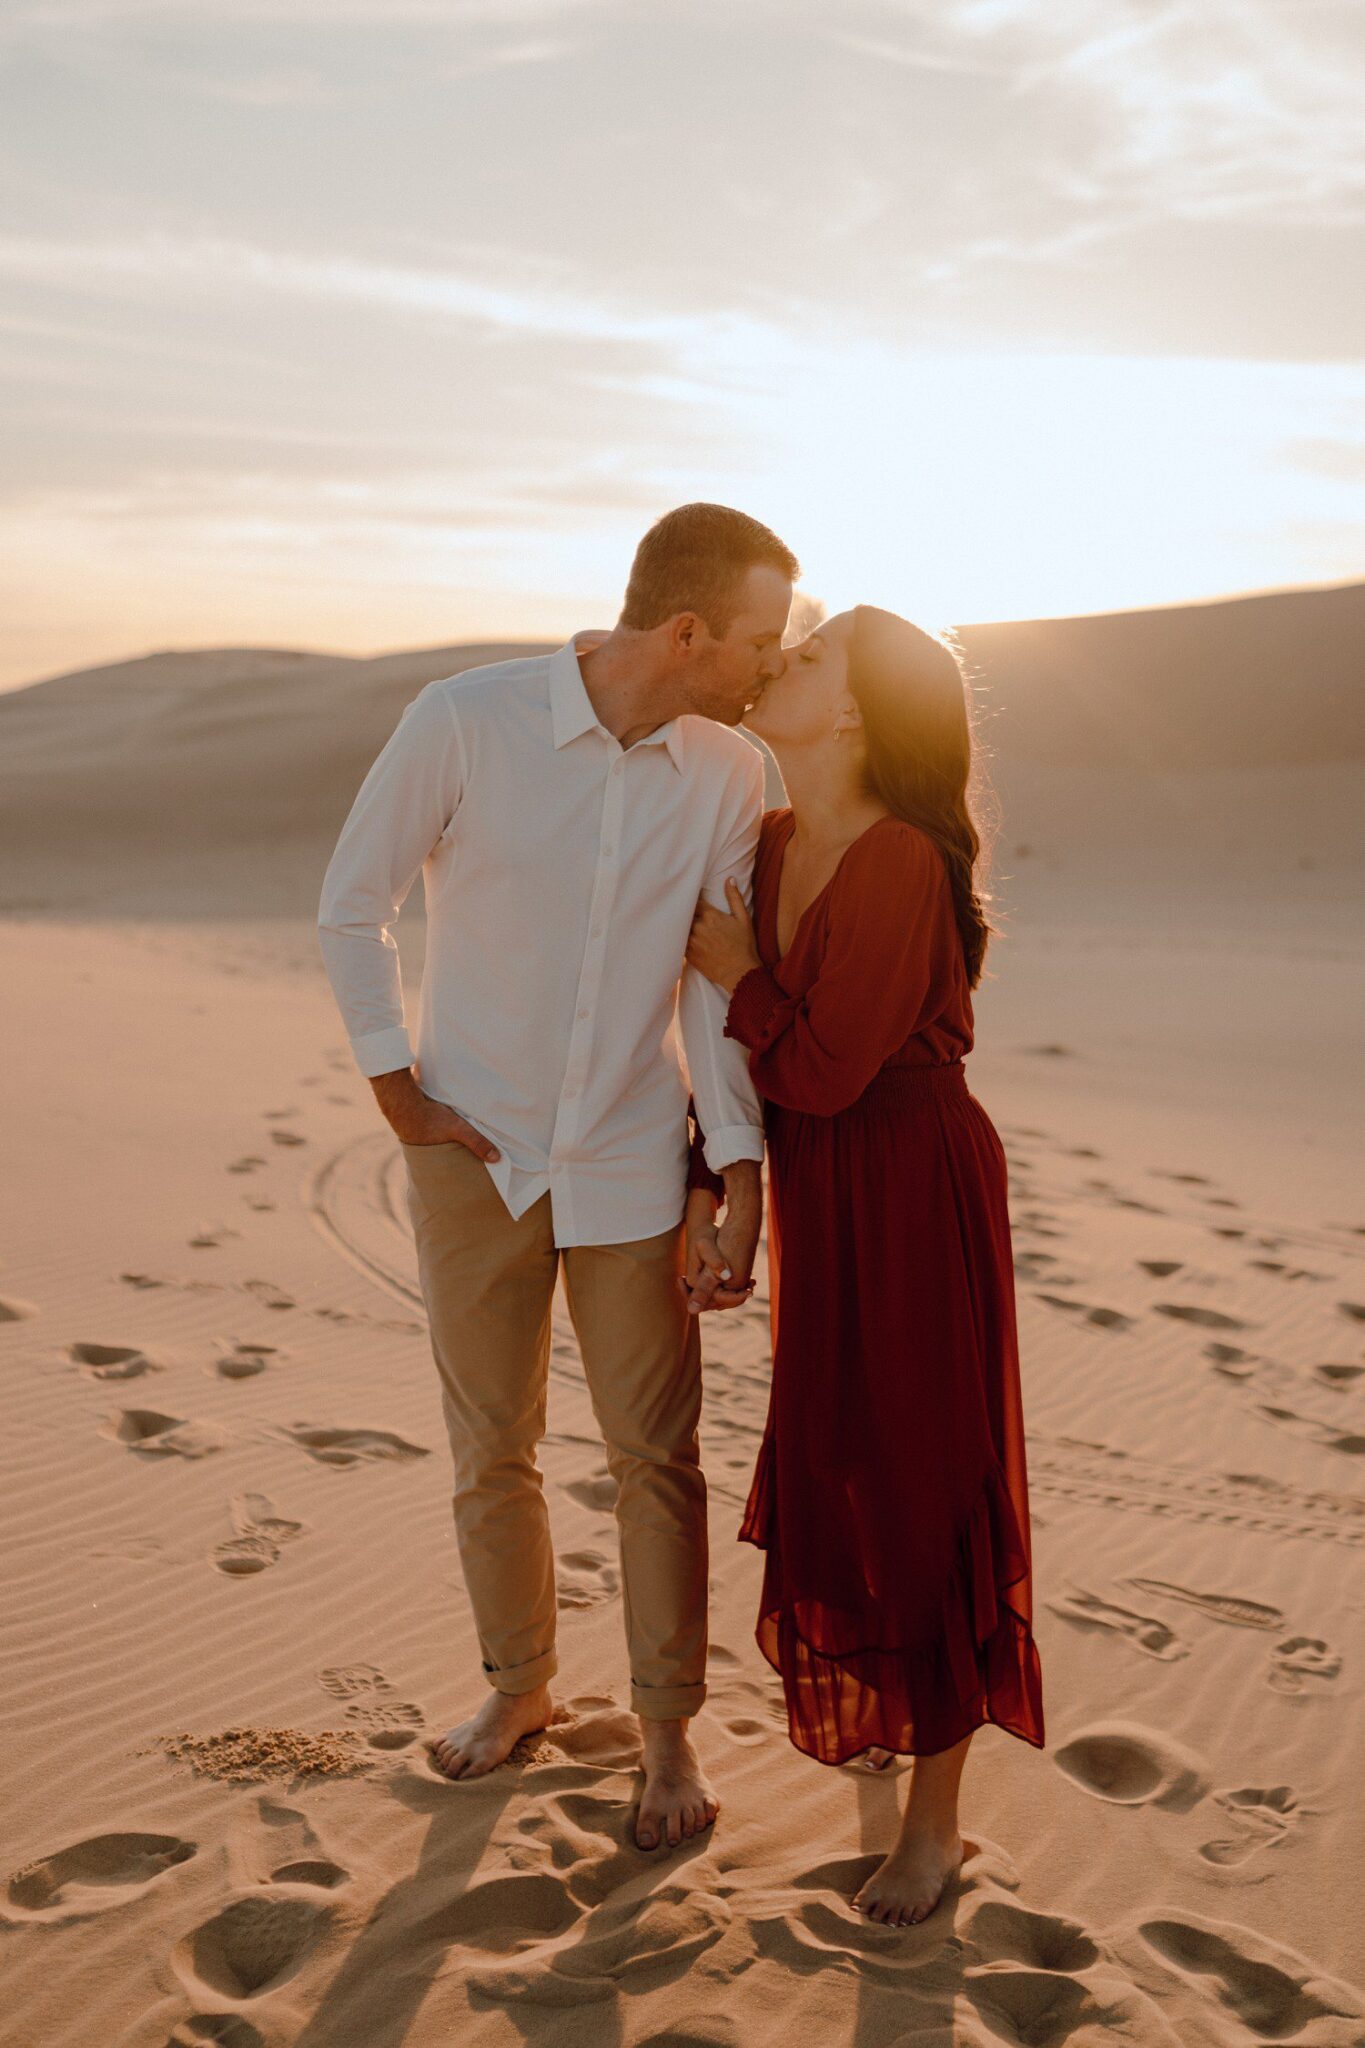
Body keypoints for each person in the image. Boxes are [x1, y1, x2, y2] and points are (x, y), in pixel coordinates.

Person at [317, 503, 796, 1852]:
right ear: (688, 631)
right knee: (492, 1452)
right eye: (757, 638)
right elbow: (352, 903)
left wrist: (737, 1161)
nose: (771, 661)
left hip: (635, 1162)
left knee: (657, 1461)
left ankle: (665, 1738)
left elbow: (710, 991)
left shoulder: (730, 769)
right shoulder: (464, 720)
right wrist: (393, 1085)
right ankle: (518, 1691)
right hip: (471, 1155)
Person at [683, 604, 1045, 1926]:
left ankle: (934, 1834)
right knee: (841, 1460)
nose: (778, 657)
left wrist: (737, 972)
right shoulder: (771, 839)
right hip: (827, 1188)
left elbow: (826, 1066)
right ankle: (891, 1777)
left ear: (849, 711)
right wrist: (712, 1185)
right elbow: (747, 1060)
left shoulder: (893, 857)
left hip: (906, 1180)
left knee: (924, 1477)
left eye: (812, 652)